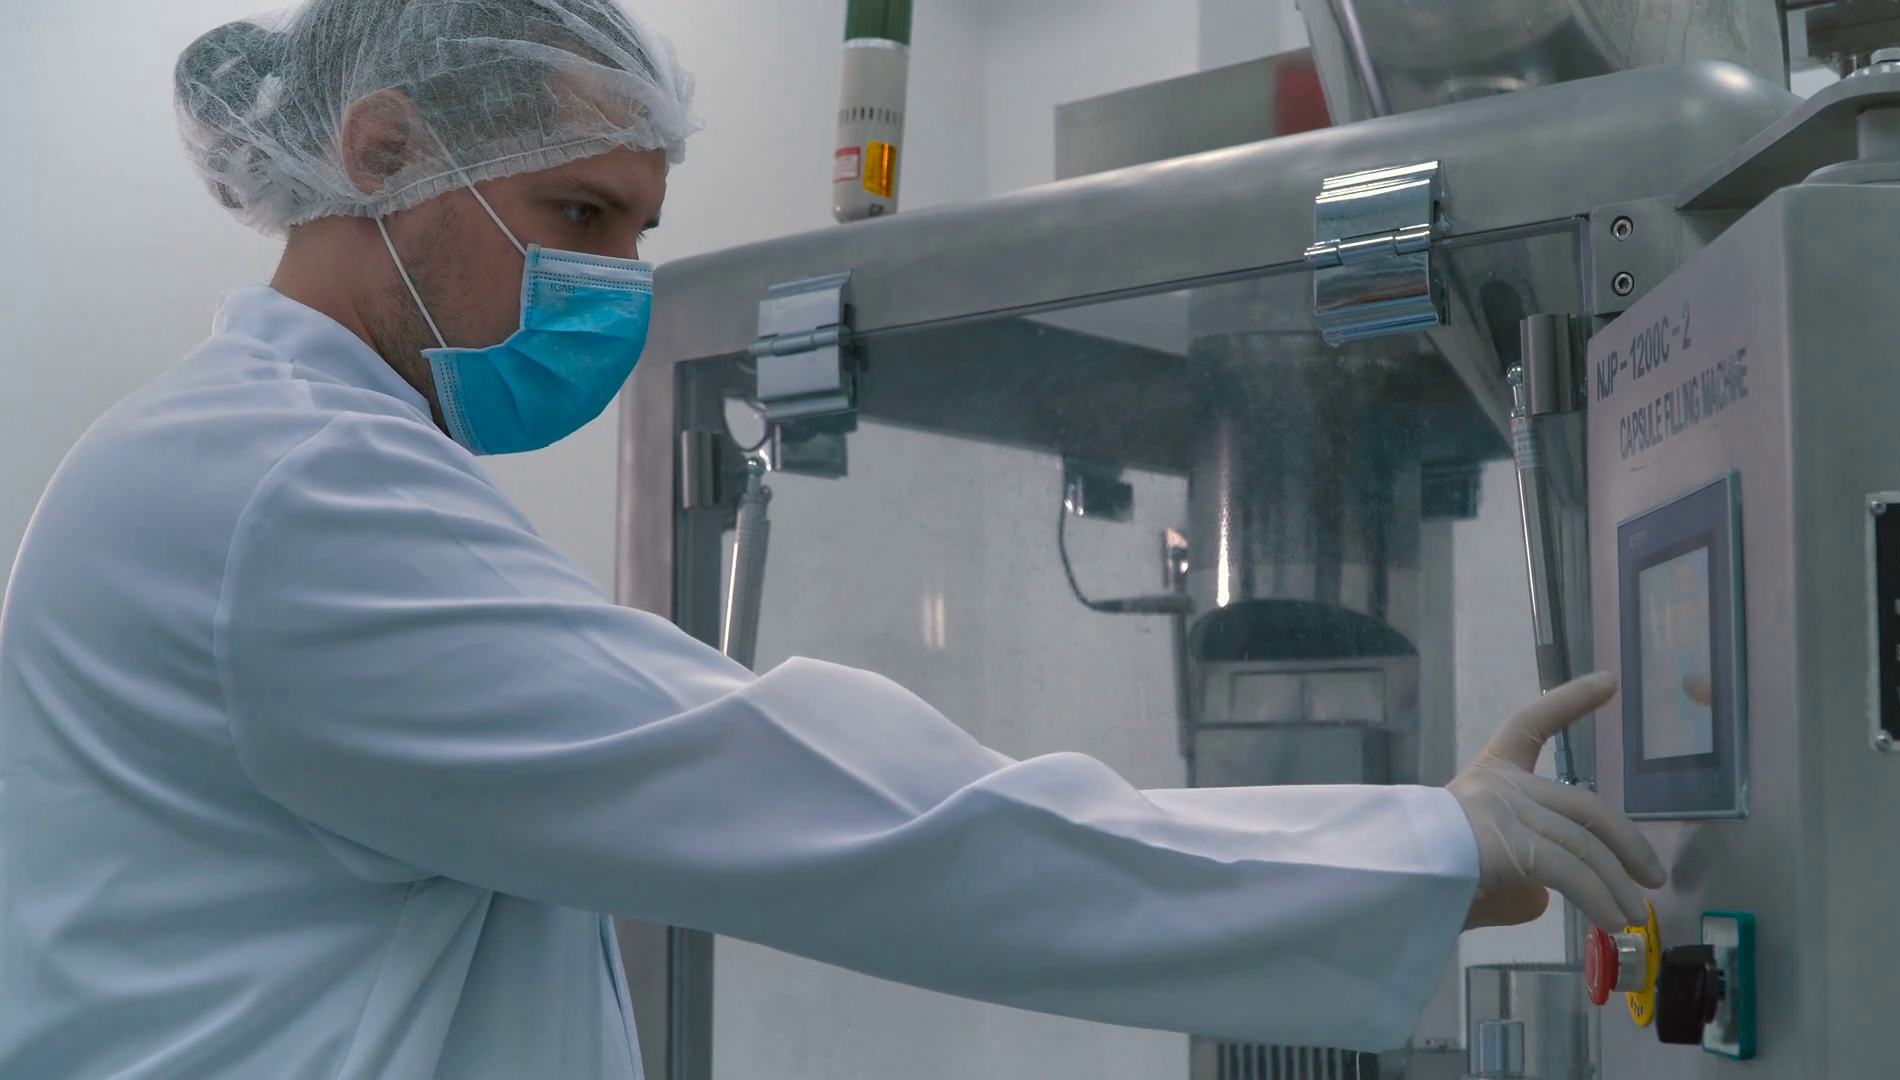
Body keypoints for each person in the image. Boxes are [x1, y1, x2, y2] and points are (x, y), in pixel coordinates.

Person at [0, 2, 1665, 1076]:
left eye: (642, 235)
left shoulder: (284, 472)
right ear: (378, 158)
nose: (619, 290)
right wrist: (1427, 848)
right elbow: (824, 807)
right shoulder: (284, 503)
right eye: (580, 218)